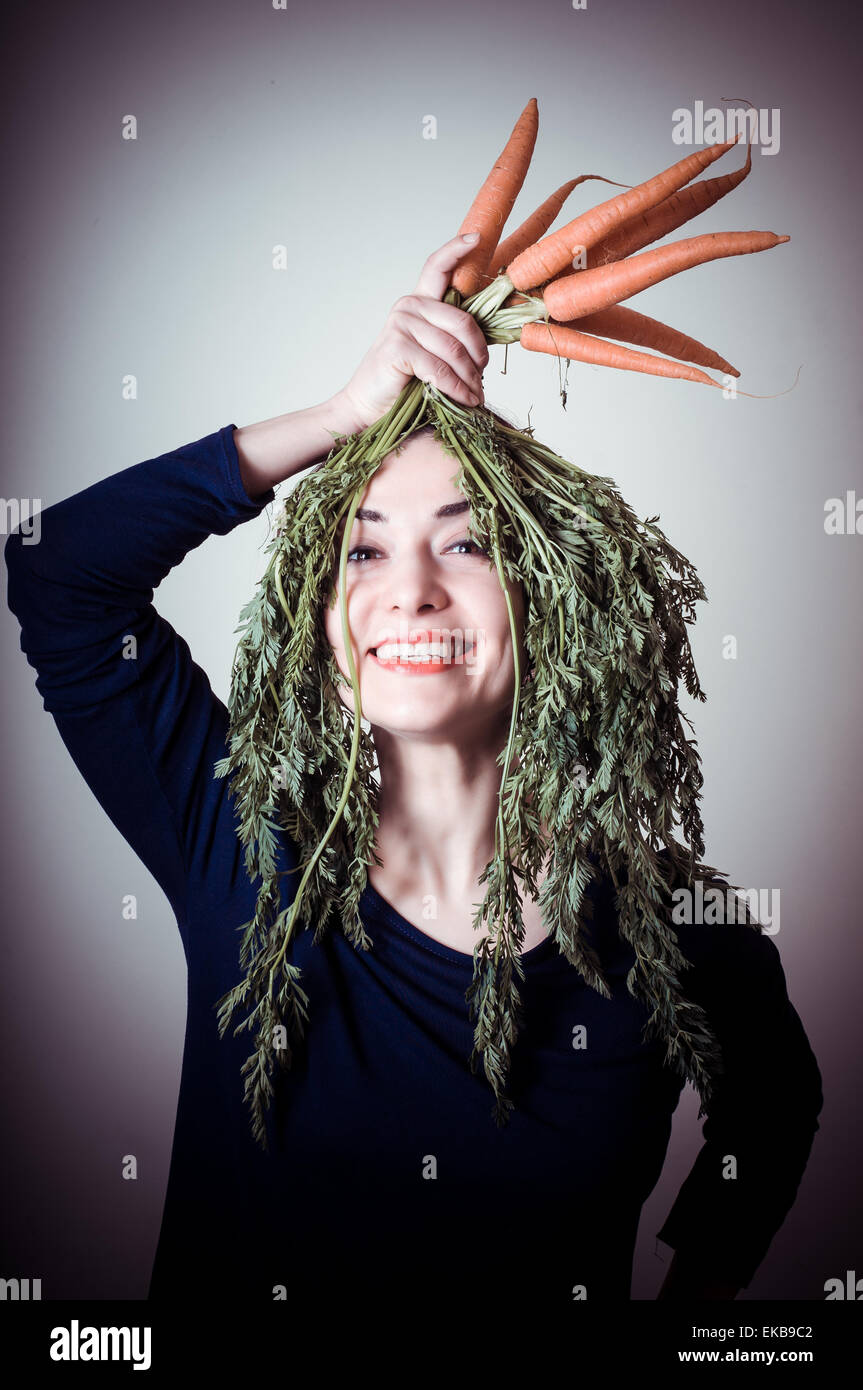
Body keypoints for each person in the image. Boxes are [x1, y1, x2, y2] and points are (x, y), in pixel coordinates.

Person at [4, 233, 823, 1307]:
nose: (409, 592)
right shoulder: (242, 847)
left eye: (468, 542)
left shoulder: (677, 936)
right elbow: (55, 573)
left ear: (555, 607)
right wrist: (340, 417)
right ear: (321, 615)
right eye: (364, 548)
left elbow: (773, 1109)